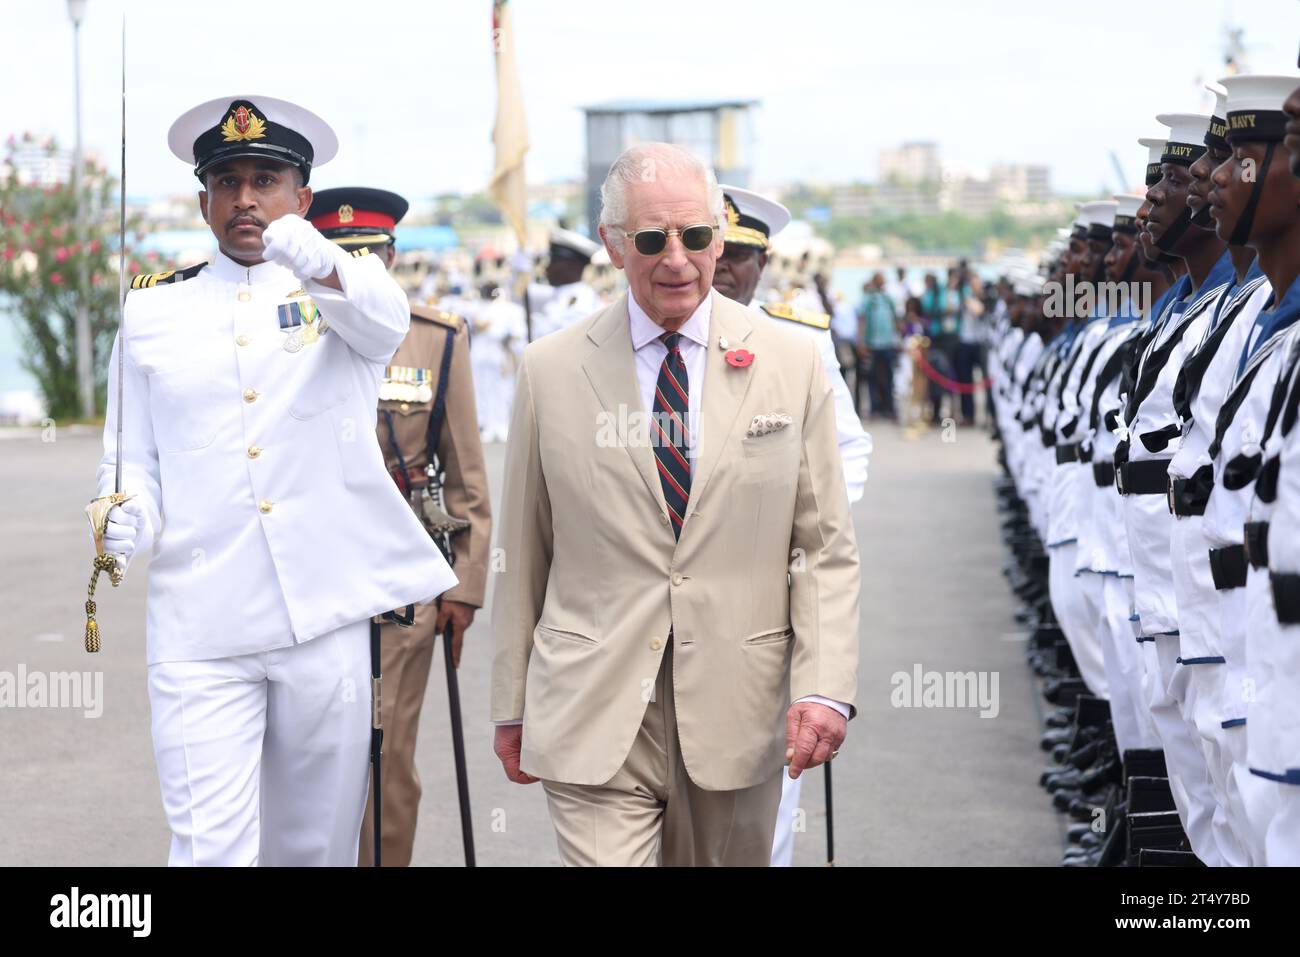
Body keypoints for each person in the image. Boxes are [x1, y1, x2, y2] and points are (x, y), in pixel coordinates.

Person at [94, 96, 457, 866]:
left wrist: (318, 254)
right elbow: (133, 461)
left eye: (266, 180)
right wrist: (128, 520)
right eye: (228, 183)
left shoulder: (341, 290)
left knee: (311, 849)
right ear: (204, 202)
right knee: (209, 849)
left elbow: (388, 322)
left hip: (319, 622)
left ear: (303, 198)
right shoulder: (153, 311)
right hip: (202, 625)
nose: (247, 199)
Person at [489, 142, 861, 866]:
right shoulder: (550, 369)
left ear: (719, 237)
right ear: (612, 244)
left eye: (694, 237)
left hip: (738, 711)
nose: (677, 260)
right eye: (652, 240)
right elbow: (524, 550)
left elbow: (824, 549)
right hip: (591, 707)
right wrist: (511, 700)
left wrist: (824, 687)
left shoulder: (792, 363)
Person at [305, 187, 493, 867]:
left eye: (372, 258)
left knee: (384, 753)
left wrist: (464, 587)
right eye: (341, 259)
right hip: (302, 573)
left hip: (396, 585)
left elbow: (467, 472)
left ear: (391, 256)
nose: (360, 273)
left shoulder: (436, 338)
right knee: (306, 754)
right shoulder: (286, 329)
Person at [710, 184, 872, 866]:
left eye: (739, 256)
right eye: (713, 250)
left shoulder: (798, 340)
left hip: (768, 590)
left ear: (763, 263)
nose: (722, 269)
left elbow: (850, 451)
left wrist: (805, 525)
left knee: (769, 783)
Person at [526, 228, 602, 340]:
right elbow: (519, 293)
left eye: (554, 261)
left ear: (572, 265)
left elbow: (561, 337)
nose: (547, 267)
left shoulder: (583, 298)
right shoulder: (554, 293)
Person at [858, 272, 900, 419]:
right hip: (873, 344)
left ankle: (889, 407)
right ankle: (874, 408)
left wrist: (899, 338)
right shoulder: (868, 300)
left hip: (888, 343)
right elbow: (862, 320)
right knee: (872, 378)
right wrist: (862, 341)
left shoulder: (888, 299)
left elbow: (895, 318)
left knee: (889, 377)